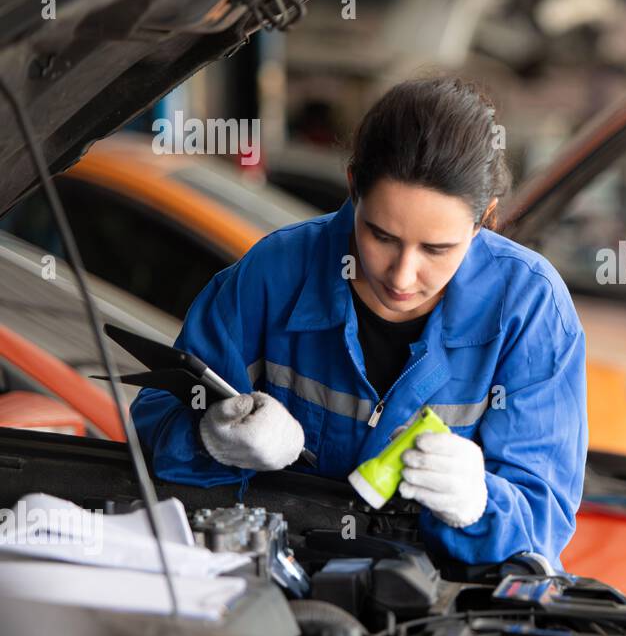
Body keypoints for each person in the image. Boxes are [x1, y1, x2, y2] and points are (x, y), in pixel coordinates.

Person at [131, 76, 587, 569]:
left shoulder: (530, 309)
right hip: (273, 585)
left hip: (436, 618)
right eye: (382, 235)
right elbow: (153, 427)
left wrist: (478, 504)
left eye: (437, 249)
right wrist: (209, 439)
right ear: (353, 186)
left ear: (486, 221)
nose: (403, 274)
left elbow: (542, 523)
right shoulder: (274, 275)